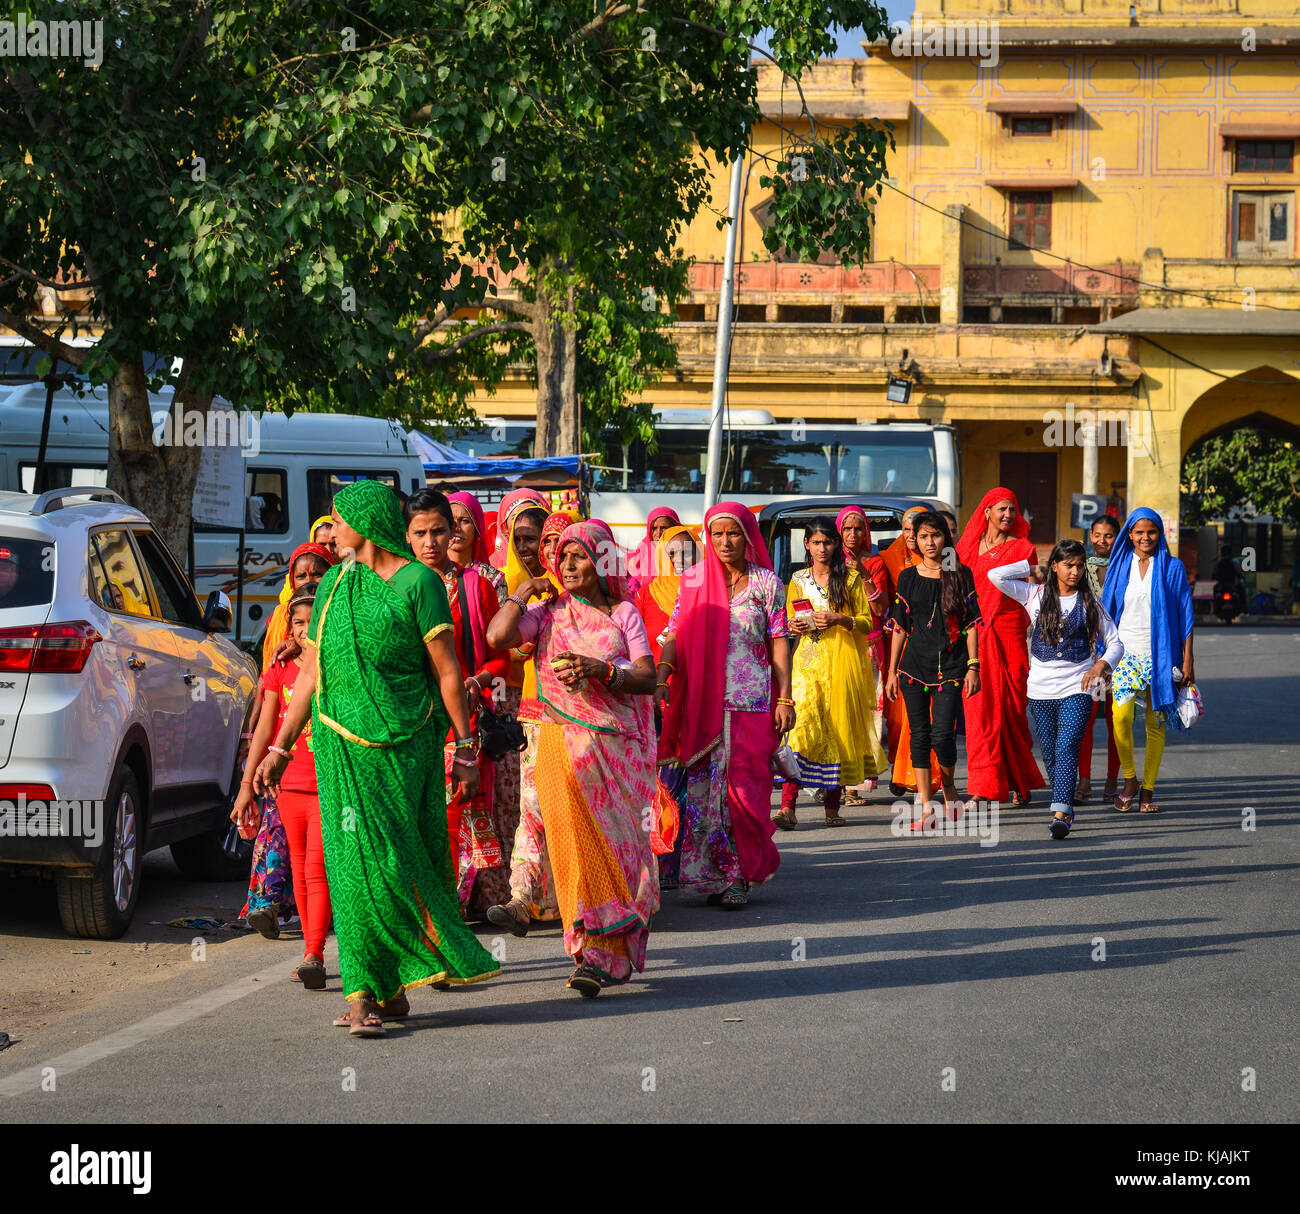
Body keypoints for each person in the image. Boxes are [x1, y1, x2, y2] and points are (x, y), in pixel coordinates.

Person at [253, 479, 499, 1037]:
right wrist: (278, 747)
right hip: (338, 747)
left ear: (363, 520)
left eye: (338, 519)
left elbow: (446, 671)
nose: (332, 529)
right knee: (350, 869)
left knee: (391, 863)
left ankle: (405, 972)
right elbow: (311, 676)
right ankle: (367, 994)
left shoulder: (420, 582)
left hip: (407, 746)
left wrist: (464, 748)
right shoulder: (336, 584)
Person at [485, 519, 658, 996]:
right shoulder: (548, 613)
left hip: (615, 752)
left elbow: (647, 677)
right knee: (573, 846)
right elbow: (498, 638)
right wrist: (523, 595)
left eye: (578, 555)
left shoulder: (623, 613)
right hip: (560, 745)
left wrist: (603, 670)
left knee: (617, 850)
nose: (567, 564)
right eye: (561, 557)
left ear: (602, 561)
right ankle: (587, 955)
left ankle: (612, 951)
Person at [655, 503, 793, 909]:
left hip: (752, 704)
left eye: (732, 534)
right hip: (704, 702)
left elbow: (779, 641)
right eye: (717, 535)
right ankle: (714, 875)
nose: (725, 542)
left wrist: (784, 697)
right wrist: (662, 678)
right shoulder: (695, 580)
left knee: (746, 794)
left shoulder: (767, 583)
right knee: (704, 793)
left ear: (748, 536)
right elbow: (675, 632)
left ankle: (741, 876)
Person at [404, 488, 512, 915]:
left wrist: (478, 678)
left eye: (439, 531)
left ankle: (448, 912)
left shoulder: (477, 585)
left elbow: (501, 654)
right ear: (407, 537)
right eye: (421, 533)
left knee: (453, 816)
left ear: (453, 533)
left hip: (459, 720)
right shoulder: (393, 586)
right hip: (405, 720)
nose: (431, 542)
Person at [233, 580, 332, 986]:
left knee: (318, 868)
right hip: (287, 784)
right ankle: (311, 950)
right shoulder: (278, 668)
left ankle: (314, 952)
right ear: (288, 627)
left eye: (312, 622)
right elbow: (265, 729)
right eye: (297, 623)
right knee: (299, 866)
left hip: (328, 782)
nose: (304, 631)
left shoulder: (335, 663)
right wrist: (246, 786)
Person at [989, 541, 1123, 839]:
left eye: (1079, 566)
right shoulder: (1033, 595)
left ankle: (1061, 813)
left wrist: (1100, 666)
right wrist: (1030, 568)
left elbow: (1115, 642)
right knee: (1051, 753)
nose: (1075, 571)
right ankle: (1064, 791)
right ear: (1055, 567)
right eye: (1068, 565)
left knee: (1066, 748)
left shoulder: (1090, 603)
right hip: (1040, 691)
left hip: (1078, 686)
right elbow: (995, 576)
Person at [489, 508, 579, 933]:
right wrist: (523, 591)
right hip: (536, 718)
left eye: (563, 545)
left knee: (577, 813)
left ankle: (580, 901)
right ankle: (521, 897)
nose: (551, 552)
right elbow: (500, 638)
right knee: (533, 811)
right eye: (546, 544)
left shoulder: (607, 603)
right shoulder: (540, 604)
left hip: (587, 726)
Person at [774, 516, 887, 829]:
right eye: (816, 542)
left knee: (837, 732)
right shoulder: (796, 579)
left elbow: (866, 621)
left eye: (827, 542)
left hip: (841, 667)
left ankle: (832, 809)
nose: (822, 548)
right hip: (805, 668)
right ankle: (788, 807)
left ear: (836, 544)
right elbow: (786, 622)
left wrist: (840, 619)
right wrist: (794, 625)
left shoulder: (849, 578)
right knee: (798, 734)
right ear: (807, 545)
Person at [884, 511, 981, 829]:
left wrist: (973, 667)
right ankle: (927, 807)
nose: (929, 542)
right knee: (919, 737)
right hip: (913, 668)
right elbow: (900, 626)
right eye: (923, 536)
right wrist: (891, 672)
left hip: (951, 668)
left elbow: (971, 625)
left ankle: (949, 785)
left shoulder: (960, 574)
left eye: (935, 535)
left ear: (945, 538)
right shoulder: (908, 578)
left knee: (943, 738)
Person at [1101, 509, 1196, 814]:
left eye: (1151, 532)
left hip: (1161, 654)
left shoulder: (1172, 567)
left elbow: (1185, 617)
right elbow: (1106, 613)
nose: (1145, 538)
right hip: (1123, 654)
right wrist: (1102, 656)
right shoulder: (1118, 567)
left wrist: (1188, 660)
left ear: (1159, 535)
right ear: (1129, 534)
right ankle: (1129, 779)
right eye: (1139, 532)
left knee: (1155, 723)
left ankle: (1147, 791)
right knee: (1121, 717)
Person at [955, 487, 1045, 805]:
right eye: (1001, 509)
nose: (1008, 515)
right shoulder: (966, 548)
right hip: (974, 638)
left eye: (1012, 509)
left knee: (1012, 711)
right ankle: (982, 786)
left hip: (1009, 637)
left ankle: (1019, 780)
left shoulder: (1024, 548)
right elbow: (956, 593)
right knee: (979, 713)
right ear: (986, 512)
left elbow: (1034, 596)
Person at [879, 505, 943, 796]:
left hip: (933, 644)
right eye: (905, 529)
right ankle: (900, 769)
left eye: (915, 531)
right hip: (895, 641)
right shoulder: (888, 557)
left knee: (930, 718)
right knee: (898, 717)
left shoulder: (943, 561)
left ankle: (934, 777)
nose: (910, 536)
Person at [836, 505, 889, 804]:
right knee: (838, 710)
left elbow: (881, 608)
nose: (853, 534)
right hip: (838, 644)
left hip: (869, 647)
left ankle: (856, 781)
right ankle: (834, 777)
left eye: (859, 528)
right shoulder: (829, 561)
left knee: (868, 714)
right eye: (847, 528)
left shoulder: (876, 563)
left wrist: (864, 574)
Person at [1078, 514, 1120, 802]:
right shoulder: (1080, 569)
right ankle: (1083, 781)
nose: (1102, 541)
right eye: (1097, 535)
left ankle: (1112, 779)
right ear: (1090, 536)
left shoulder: (1126, 568)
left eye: (1108, 536)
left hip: (1119, 655)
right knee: (1086, 719)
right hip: (1088, 654)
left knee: (1117, 720)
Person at [261, 542, 335, 670]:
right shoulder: (280, 616)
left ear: (331, 574)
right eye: (301, 576)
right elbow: (267, 671)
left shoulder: (341, 609)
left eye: (317, 574)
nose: (309, 581)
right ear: (292, 581)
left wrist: (300, 644)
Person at [634, 524, 698, 665]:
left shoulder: (711, 592)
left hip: (697, 677)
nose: (678, 559)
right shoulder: (646, 595)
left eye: (686, 553)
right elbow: (633, 643)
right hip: (655, 681)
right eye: (671, 554)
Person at [448, 491, 507, 602]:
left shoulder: (492, 578)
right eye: (450, 521)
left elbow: (500, 619)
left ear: (477, 528)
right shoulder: (431, 573)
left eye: (465, 521)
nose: (456, 528)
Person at [489, 487, 550, 570]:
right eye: (516, 517)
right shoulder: (493, 566)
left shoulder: (559, 559)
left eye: (531, 514)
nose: (525, 520)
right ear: (504, 526)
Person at [628, 506, 682, 589]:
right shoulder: (642, 552)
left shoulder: (686, 553)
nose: (658, 533)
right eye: (654, 528)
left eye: (664, 528)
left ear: (675, 528)